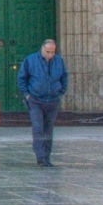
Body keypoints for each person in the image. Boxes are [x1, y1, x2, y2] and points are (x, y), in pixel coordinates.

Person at [17, 38, 67, 167]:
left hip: (52, 100)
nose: (50, 55)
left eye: (52, 52)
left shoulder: (59, 61)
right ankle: (40, 158)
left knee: (48, 129)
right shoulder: (30, 60)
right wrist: (27, 95)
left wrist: (60, 92)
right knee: (38, 128)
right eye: (47, 51)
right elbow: (22, 78)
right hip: (35, 100)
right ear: (42, 49)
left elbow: (64, 77)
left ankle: (47, 157)